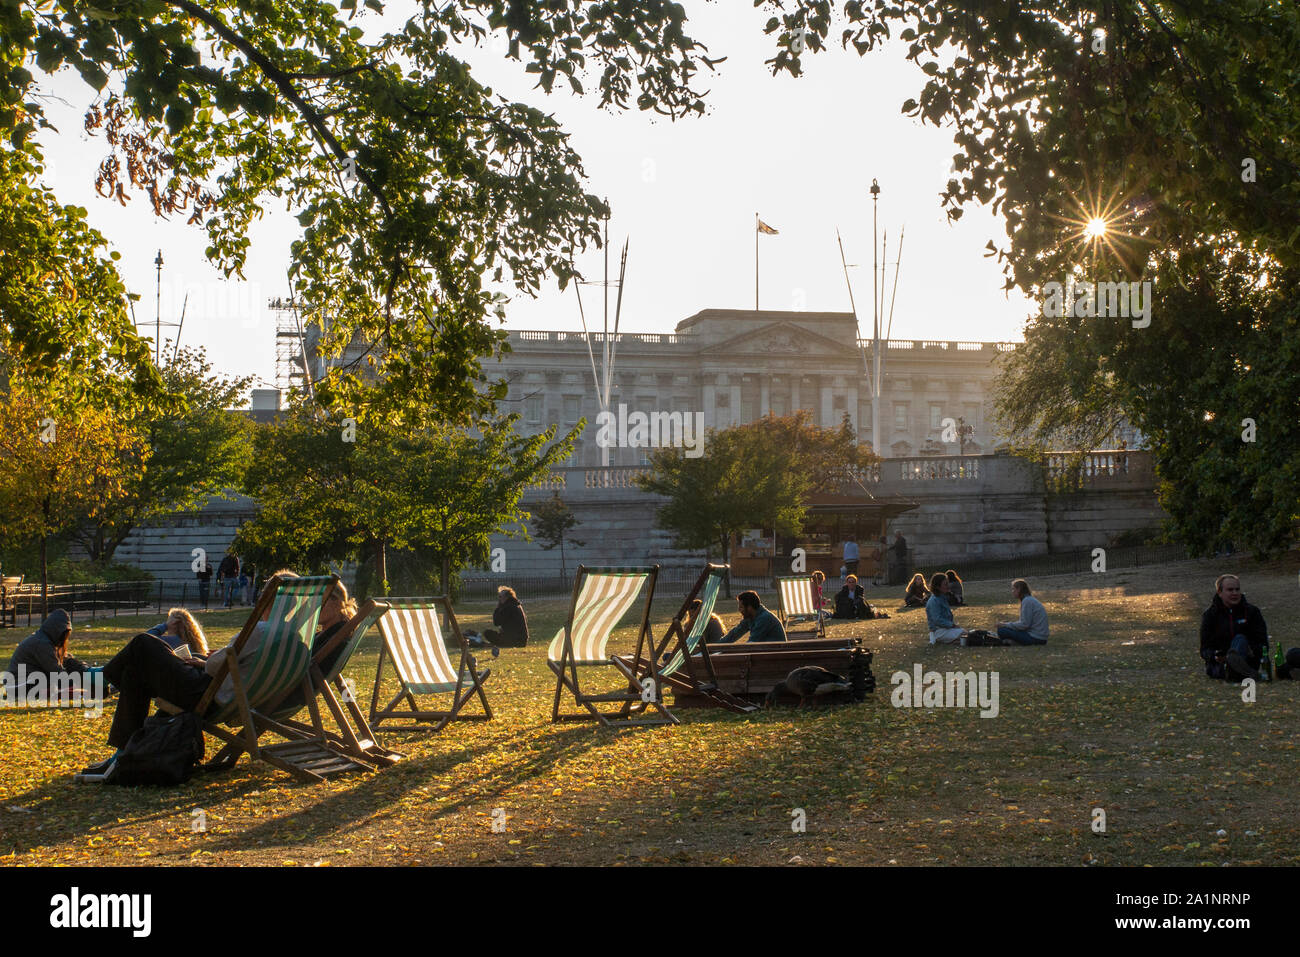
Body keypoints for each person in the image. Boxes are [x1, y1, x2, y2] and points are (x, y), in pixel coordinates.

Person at [86, 573, 302, 774]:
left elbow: (216, 666)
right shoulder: (294, 637)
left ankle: (100, 680)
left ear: (267, 599)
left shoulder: (261, 630)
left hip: (207, 695)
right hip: (233, 698)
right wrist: (209, 661)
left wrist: (205, 661)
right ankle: (122, 755)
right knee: (135, 671)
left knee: (143, 643)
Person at [2, 609, 90, 699]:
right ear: (56, 630)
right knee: (56, 683)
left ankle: (85, 683)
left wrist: (84, 669)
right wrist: (75, 682)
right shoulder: (41, 643)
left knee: (66, 671)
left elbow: (65, 659)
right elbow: (56, 671)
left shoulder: (46, 640)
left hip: (24, 682)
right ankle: (68, 692)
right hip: (18, 685)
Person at [1199, 574, 1267, 681]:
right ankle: (1236, 670)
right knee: (1223, 666)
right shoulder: (1210, 615)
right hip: (1220, 664)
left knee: (1240, 639)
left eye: (1237, 589)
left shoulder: (1252, 612)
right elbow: (1204, 649)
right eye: (1230, 590)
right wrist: (1215, 655)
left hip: (1247, 660)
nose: (1235, 593)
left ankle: (1237, 667)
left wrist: (1251, 650)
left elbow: (1263, 644)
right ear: (1220, 592)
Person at [716, 591, 787, 644]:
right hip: (766, 654)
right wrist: (714, 646)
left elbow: (751, 643)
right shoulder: (750, 617)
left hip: (776, 656)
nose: (739, 610)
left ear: (749, 607)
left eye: (741, 607)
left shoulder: (764, 618)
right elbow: (734, 634)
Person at [996, 579, 1049, 645]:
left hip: (1036, 638)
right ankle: (1013, 642)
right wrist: (1008, 624)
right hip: (1039, 637)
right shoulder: (1029, 600)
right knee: (1005, 628)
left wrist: (1005, 625)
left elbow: (1024, 625)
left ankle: (1015, 643)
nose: (1012, 592)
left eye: (1013, 589)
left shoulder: (1027, 601)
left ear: (1019, 589)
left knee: (1002, 630)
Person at [144, 608, 209, 657]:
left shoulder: (170, 640)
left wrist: (164, 625)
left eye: (168, 621)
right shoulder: (195, 641)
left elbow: (146, 638)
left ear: (173, 624)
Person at [925, 573, 968, 645]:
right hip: (939, 631)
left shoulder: (942, 597)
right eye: (945, 584)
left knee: (966, 634)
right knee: (965, 635)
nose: (948, 586)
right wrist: (952, 625)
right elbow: (937, 620)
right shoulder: (934, 601)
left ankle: (950, 641)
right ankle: (941, 640)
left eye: (948, 583)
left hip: (946, 629)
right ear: (938, 587)